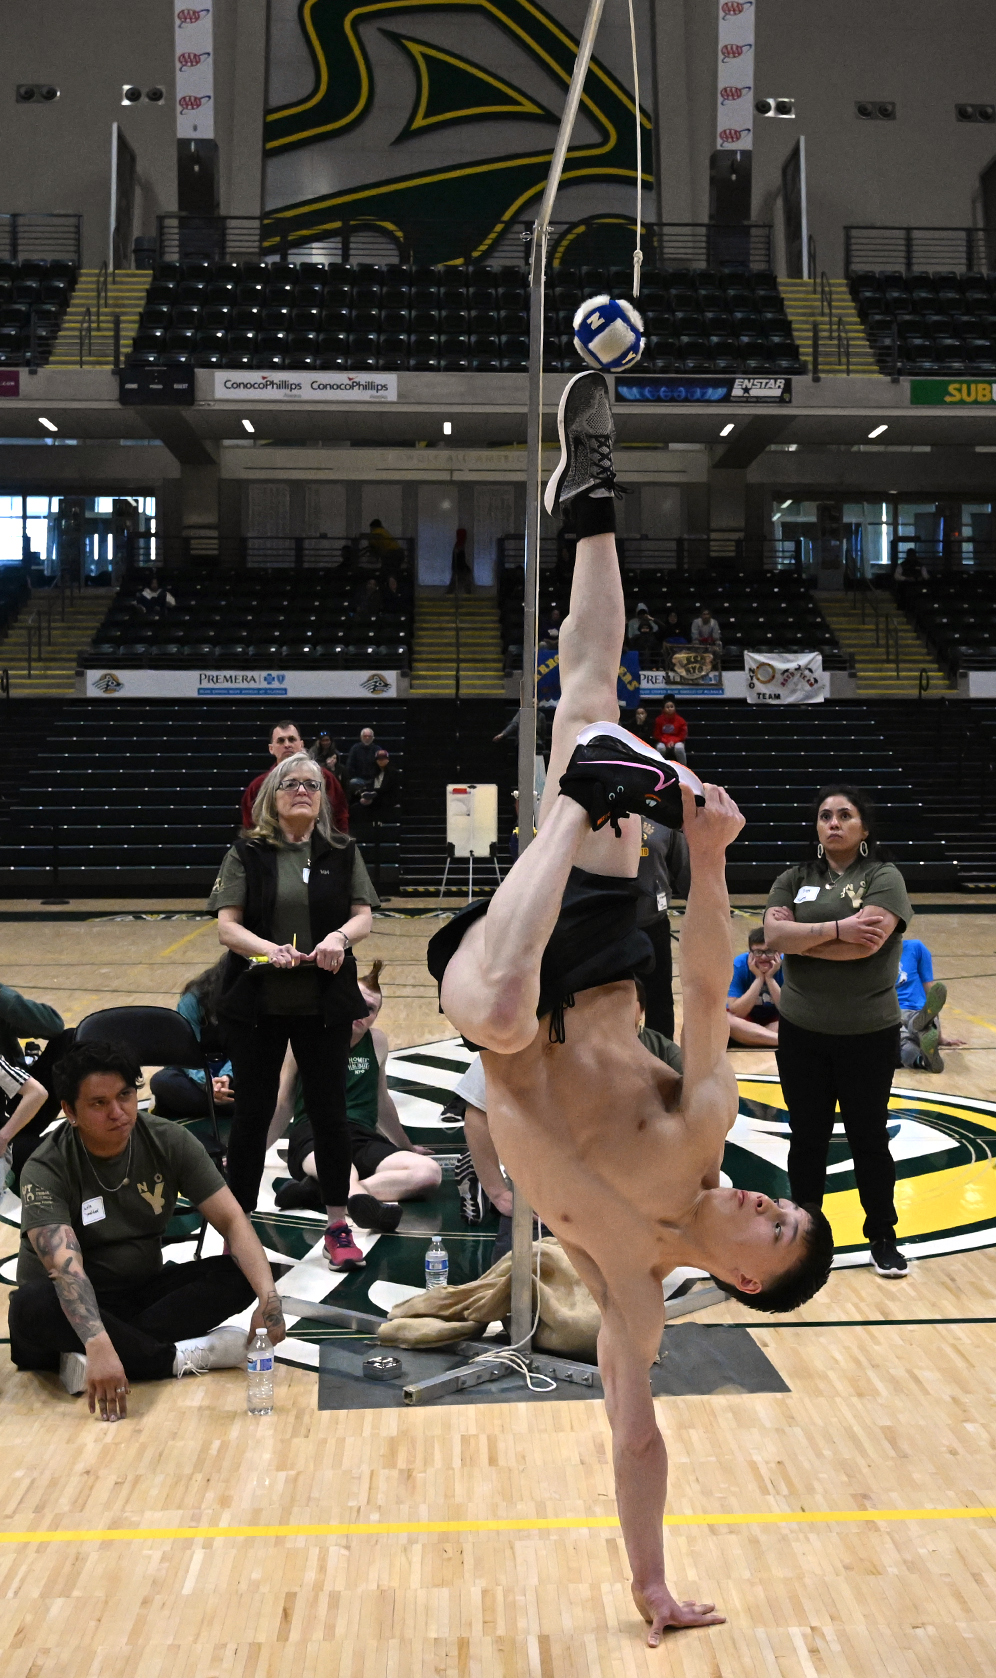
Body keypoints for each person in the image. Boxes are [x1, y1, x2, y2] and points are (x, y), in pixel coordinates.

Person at [427, 370, 833, 1645]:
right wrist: (706, 861)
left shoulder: (634, 1294)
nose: (768, 1203)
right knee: (589, 689)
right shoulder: (707, 1130)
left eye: (777, 1228)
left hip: (505, 993)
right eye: (788, 1204)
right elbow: (705, 989)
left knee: (498, 1016)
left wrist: (650, 1585)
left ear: (747, 1280)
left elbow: (636, 1434)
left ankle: (573, 796)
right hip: (603, 954)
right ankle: (592, 495)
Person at [9, 1040, 286, 1418]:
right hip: (64, 1305)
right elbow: (65, 1270)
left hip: (140, 1293)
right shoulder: (46, 1166)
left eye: (125, 1095)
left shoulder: (167, 1139)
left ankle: (97, 1356)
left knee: (242, 1273)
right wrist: (98, 1342)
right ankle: (176, 1357)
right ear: (70, 1111)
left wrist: (269, 1300)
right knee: (31, 1304)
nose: (118, 1112)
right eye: (99, 1103)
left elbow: (232, 1220)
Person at [210, 751, 380, 1270]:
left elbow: (363, 916)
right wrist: (267, 949)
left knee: (330, 1114)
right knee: (253, 1115)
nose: (302, 790)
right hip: (257, 1005)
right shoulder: (247, 851)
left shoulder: (343, 850)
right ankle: (239, 1227)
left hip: (323, 1006)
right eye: (291, 784)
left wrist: (338, 938)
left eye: (312, 784)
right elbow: (227, 926)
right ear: (272, 797)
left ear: (323, 798)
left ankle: (337, 1225)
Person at [762, 785, 913, 1280]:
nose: (833, 823)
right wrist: (836, 930)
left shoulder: (884, 877)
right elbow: (772, 936)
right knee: (807, 1136)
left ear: (864, 827)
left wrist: (804, 939)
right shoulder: (793, 878)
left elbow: (865, 946)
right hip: (802, 1032)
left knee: (869, 1136)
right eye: (825, 815)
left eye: (845, 815)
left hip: (868, 1033)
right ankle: (805, 1240)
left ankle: (882, 1236)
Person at [274, 961, 441, 1227]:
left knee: (429, 1173)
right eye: (357, 1001)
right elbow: (283, 1104)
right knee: (342, 1167)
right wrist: (254, 1151)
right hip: (314, 1134)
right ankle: (364, 1207)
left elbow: (382, 1101)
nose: (362, 1012)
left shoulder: (377, 1041)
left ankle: (318, 1193)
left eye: (370, 1009)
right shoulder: (307, 1038)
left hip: (362, 1137)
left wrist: (406, 1146)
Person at [149, 959, 235, 1122]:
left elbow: (246, 1050)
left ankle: (211, 1105)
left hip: (233, 1075)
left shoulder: (250, 1000)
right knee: (162, 1082)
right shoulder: (193, 999)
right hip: (197, 1074)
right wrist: (207, 1083)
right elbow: (185, 1051)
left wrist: (226, 1077)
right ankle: (231, 1107)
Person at [240, 720, 349, 835]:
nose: (287, 745)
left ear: (301, 745)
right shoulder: (258, 785)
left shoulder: (325, 778)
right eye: (281, 741)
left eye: (292, 739)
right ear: (271, 748)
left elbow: (340, 814)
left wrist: (339, 842)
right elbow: (250, 823)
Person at [635, 817, 689, 1039]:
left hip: (653, 923)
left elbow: (684, 872)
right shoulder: (604, 812)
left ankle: (661, 1051)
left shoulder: (664, 820)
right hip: (611, 925)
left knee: (660, 997)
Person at [895, 939, 960, 1072]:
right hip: (907, 1012)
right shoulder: (915, 947)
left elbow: (932, 997)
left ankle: (922, 1060)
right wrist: (940, 1037)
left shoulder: (915, 948)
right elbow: (929, 991)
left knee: (901, 1042)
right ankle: (925, 1032)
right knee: (915, 1030)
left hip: (899, 1012)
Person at [727, 927, 781, 1048]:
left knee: (799, 1021)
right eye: (758, 952)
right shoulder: (739, 964)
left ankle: (753, 1038)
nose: (763, 957)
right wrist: (759, 979)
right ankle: (782, 1041)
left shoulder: (787, 966)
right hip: (746, 1022)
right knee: (726, 1020)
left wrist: (770, 978)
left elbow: (788, 1011)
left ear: (779, 952)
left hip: (775, 1023)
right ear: (750, 953)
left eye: (769, 952)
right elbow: (738, 1012)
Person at [354, 748, 399, 819]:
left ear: (388, 760)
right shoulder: (374, 771)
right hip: (375, 796)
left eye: (383, 759)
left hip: (386, 798)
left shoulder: (393, 773)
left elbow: (387, 789)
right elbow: (370, 785)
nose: (381, 761)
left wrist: (373, 793)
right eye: (379, 759)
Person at [653, 697, 689, 763]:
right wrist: (666, 741)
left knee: (679, 748)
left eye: (671, 707)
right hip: (663, 741)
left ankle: (683, 767)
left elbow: (683, 735)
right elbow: (657, 734)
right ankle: (658, 767)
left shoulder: (681, 720)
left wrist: (674, 741)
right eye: (667, 707)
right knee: (660, 748)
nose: (670, 709)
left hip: (677, 741)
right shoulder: (658, 720)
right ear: (664, 709)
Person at [345, 726, 379, 794]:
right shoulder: (355, 749)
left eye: (369, 736)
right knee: (353, 782)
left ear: (373, 738)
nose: (367, 738)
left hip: (373, 780)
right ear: (361, 737)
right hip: (359, 779)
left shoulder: (377, 749)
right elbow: (350, 765)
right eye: (365, 736)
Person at [447, 527, 474, 594]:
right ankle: (469, 595)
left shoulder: (458, 545)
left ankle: (468, 594)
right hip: (459, 569)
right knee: (464, 582)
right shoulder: (459, 546)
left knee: (454, 585)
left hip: (458, 569)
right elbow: (459, 560)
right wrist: (465, 568)